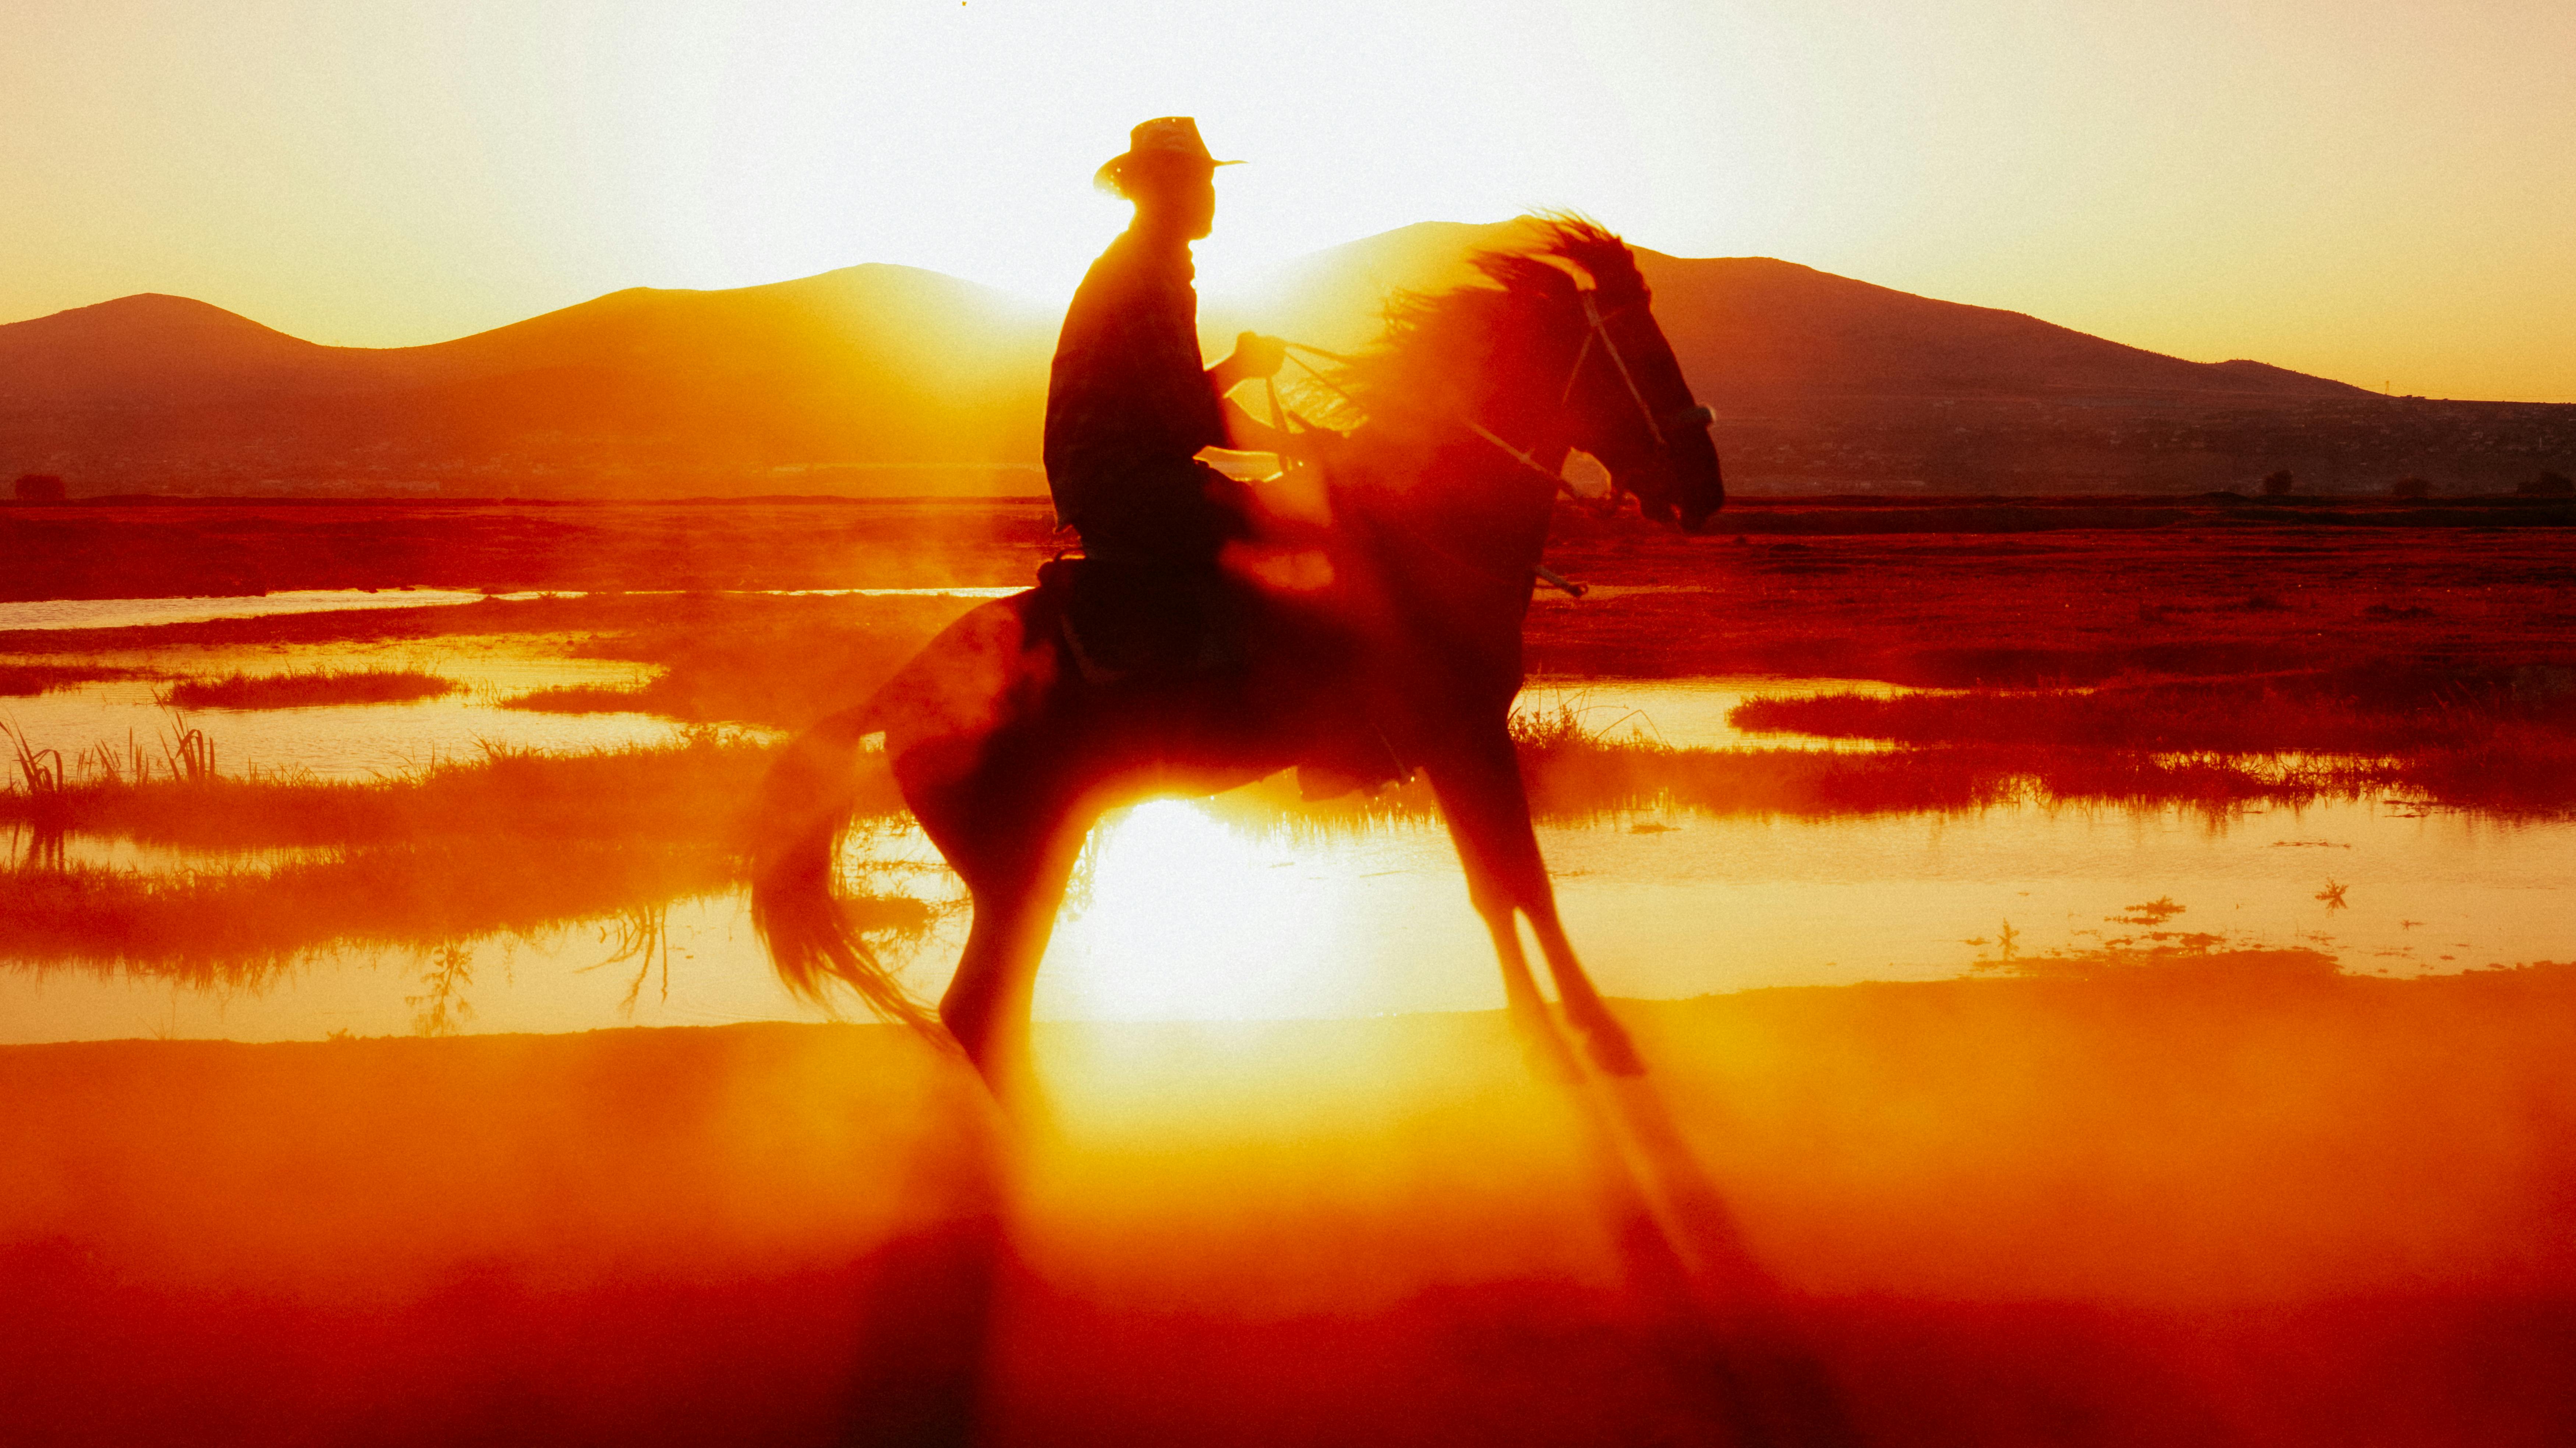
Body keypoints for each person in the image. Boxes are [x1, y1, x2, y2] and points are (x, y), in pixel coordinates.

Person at [1042, 118, 1289, 675]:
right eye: (1193, 182)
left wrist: (1242, 372)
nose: (1208, 196)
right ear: (1154, 191)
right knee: (1278, 535)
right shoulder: (1146, 273)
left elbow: (1175, 401)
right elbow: (1185, 416)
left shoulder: (1148, 266)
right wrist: (1294, 443)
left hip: (1117, 482)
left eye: (1208, 181)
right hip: (1129, 484)